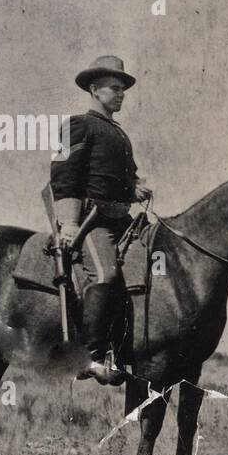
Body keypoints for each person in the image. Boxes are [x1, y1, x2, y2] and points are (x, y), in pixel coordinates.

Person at [49, 55, 152, 385]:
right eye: (115, 88)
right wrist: (68, 223)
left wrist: (136, 187)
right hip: (93, 222)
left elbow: (126, 176)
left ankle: (127, 351)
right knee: (106, 274)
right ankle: (91, 357)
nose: (121, 94)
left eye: (123, 89)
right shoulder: (79, 124)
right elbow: (64, 176)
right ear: (95, 90)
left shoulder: (119, 134)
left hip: (123, 219)